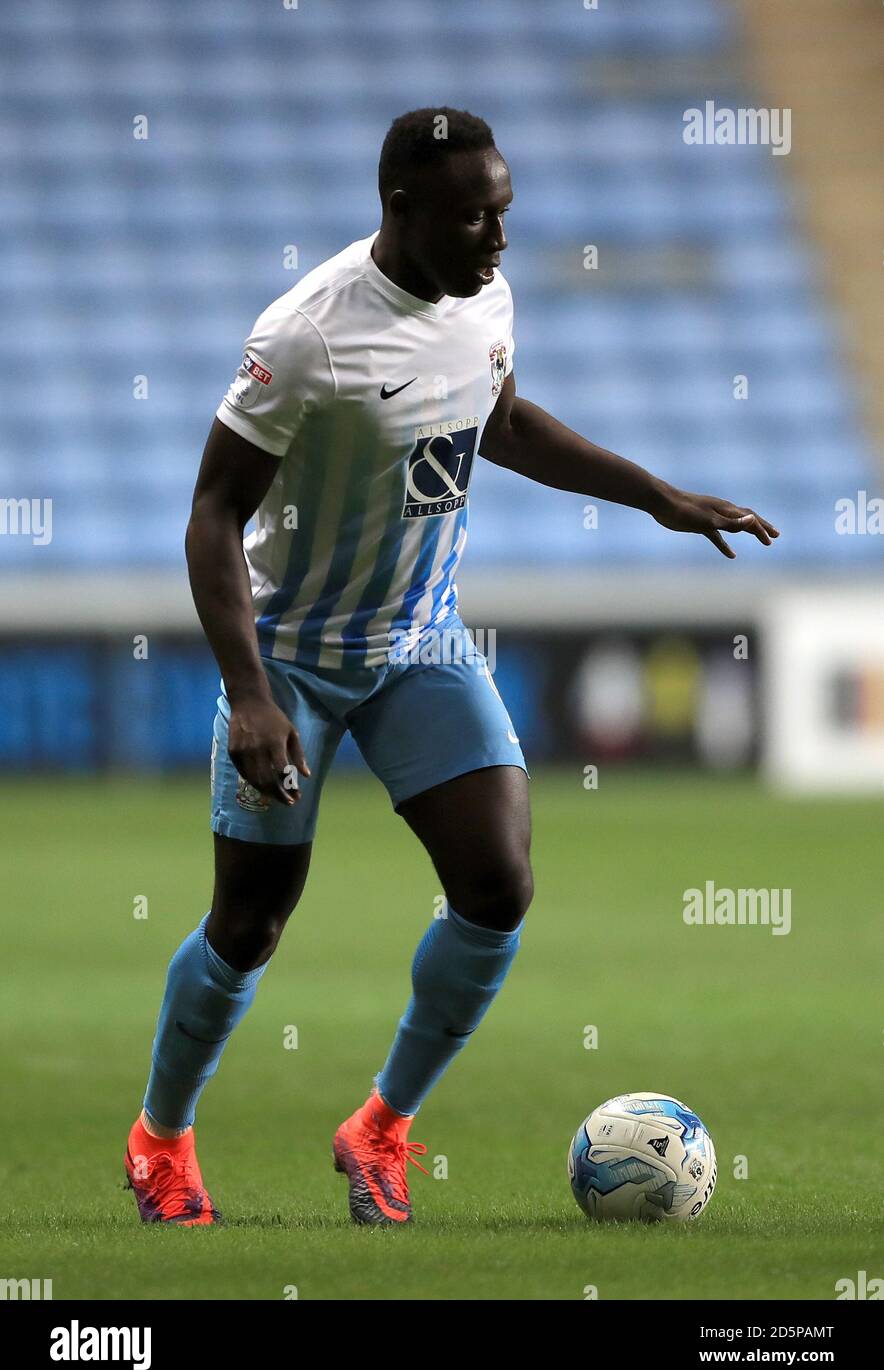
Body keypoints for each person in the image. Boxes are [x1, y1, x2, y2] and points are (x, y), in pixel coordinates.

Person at [124, 107, 778, 1227]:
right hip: (294, 657)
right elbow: (211, 513)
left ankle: (380, 1128)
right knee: (251, 923)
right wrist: (250, 694)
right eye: (474, 215)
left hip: (421, 639)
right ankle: (162, 1138)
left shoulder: (484, 296)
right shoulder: (306, 335)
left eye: (504, 212)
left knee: (496, 883)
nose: (497, 236)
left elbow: (501, 421)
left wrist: (654, 494)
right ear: (401, 210)